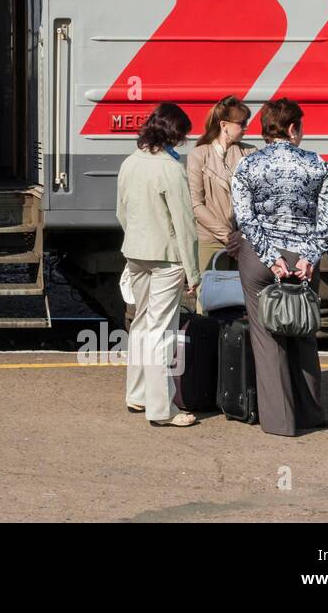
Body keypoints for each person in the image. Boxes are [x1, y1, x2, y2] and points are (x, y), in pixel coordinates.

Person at [231, 98, 328, 437]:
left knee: (268, 340)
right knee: (304, 332)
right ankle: (311, 414)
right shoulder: (316, 163)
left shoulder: (247, 166)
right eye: (302, 127)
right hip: (303, 257)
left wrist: (271, 258)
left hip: (261, 260)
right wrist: (308, 257)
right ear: (293, 129)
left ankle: (280, 423)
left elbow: (244, 218)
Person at [116, 102, 201, 427]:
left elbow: (121, 212)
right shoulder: (170, 169)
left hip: (135, 252)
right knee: (161, 332)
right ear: (175, 134)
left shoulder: (130, 163)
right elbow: (184, 223)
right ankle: (162, 409)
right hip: (167, 257)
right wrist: (192, 272)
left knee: (139, 324)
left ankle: (136, 395)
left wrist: (136, 238)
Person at [187, 96, 255, 310]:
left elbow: (256, 199)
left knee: (243, 303)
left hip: (244, 239)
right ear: (224, 125)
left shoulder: (250, 152)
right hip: (210, 237)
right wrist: (228, 236)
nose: (246, 127)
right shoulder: (199, 155)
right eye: (241, 123)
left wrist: (241, 233)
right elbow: (195, 203)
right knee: (208, 300)